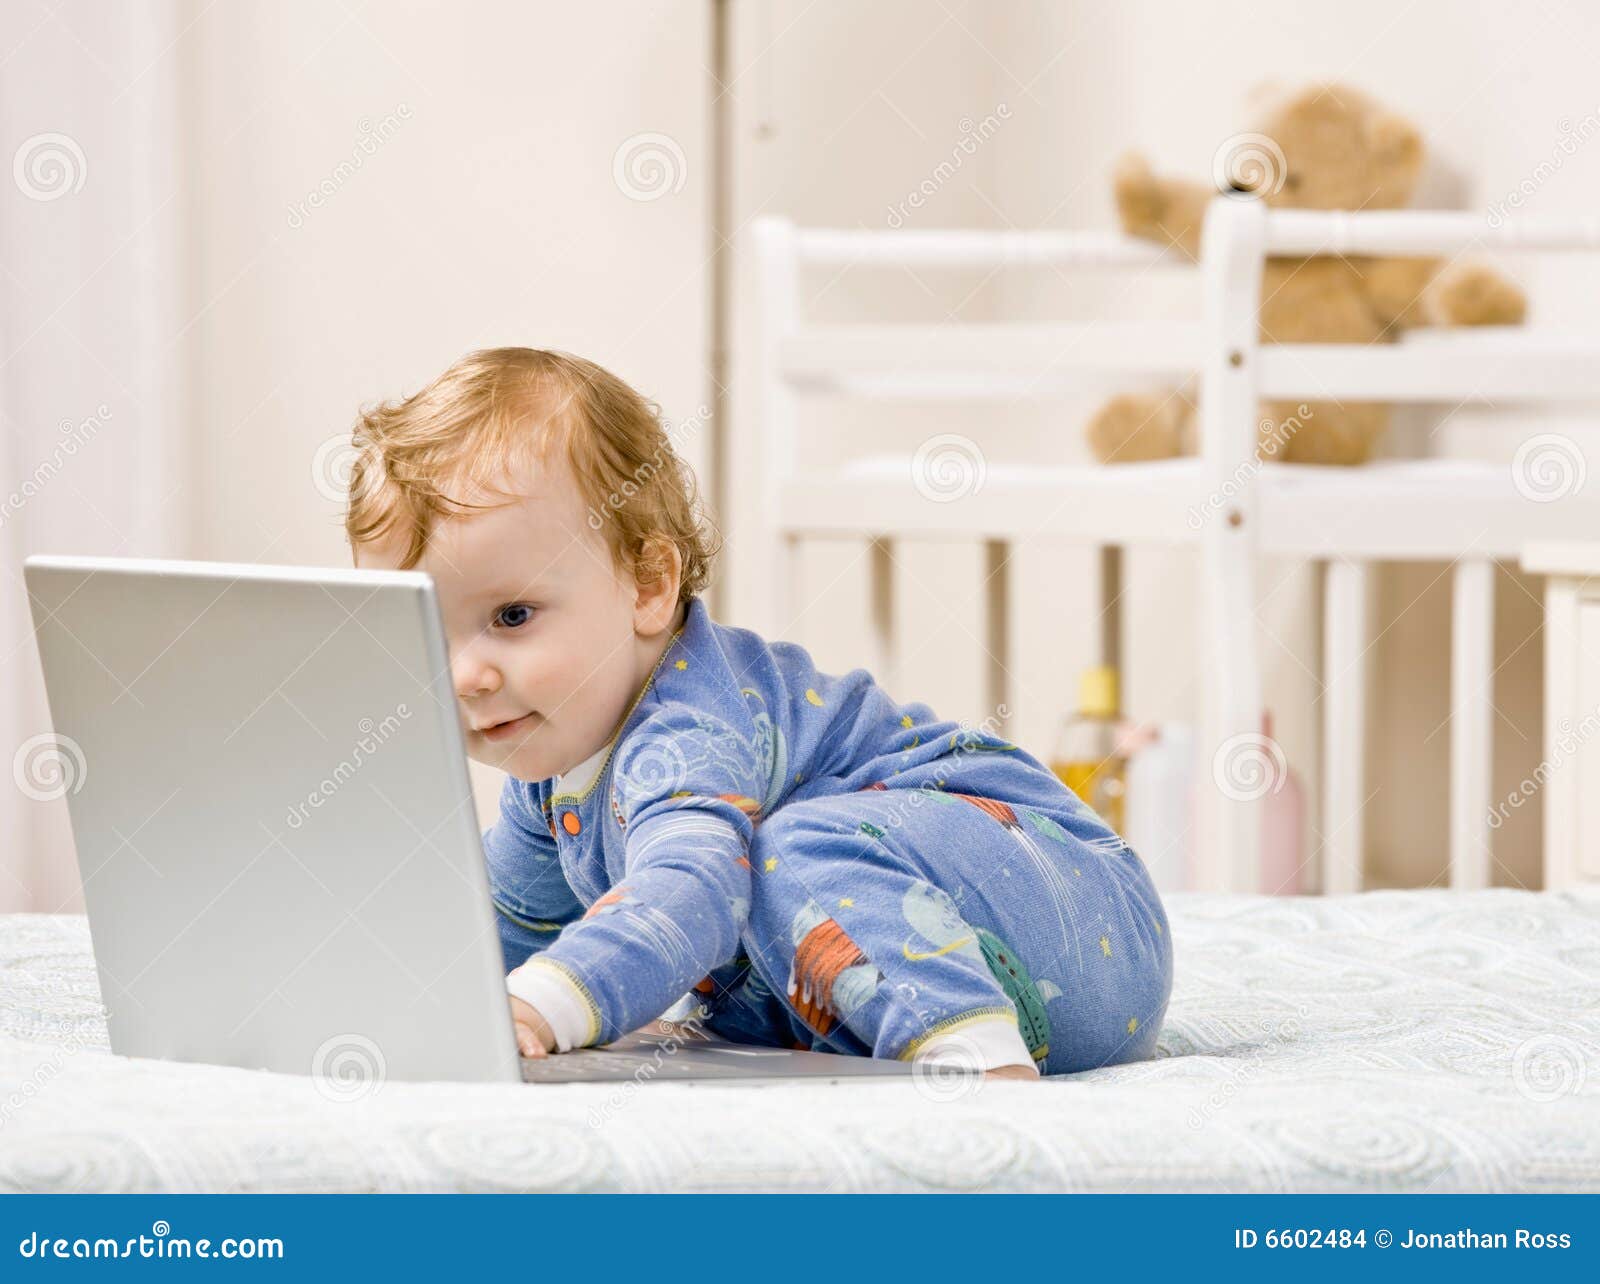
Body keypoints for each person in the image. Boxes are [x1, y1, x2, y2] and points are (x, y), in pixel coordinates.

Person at [347, 347, 1173, 1078]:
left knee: (787, 849)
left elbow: (690, 891)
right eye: (427, 626)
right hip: (1018, 953)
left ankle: (974, 1062)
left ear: (648, 586)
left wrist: (550, 1005)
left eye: (513, 616)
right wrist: (391, 999)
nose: (467, 675)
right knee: (732, 970)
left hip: (1078, 913)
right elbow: (496, 929)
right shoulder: (552, 771)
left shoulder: (688, 726)